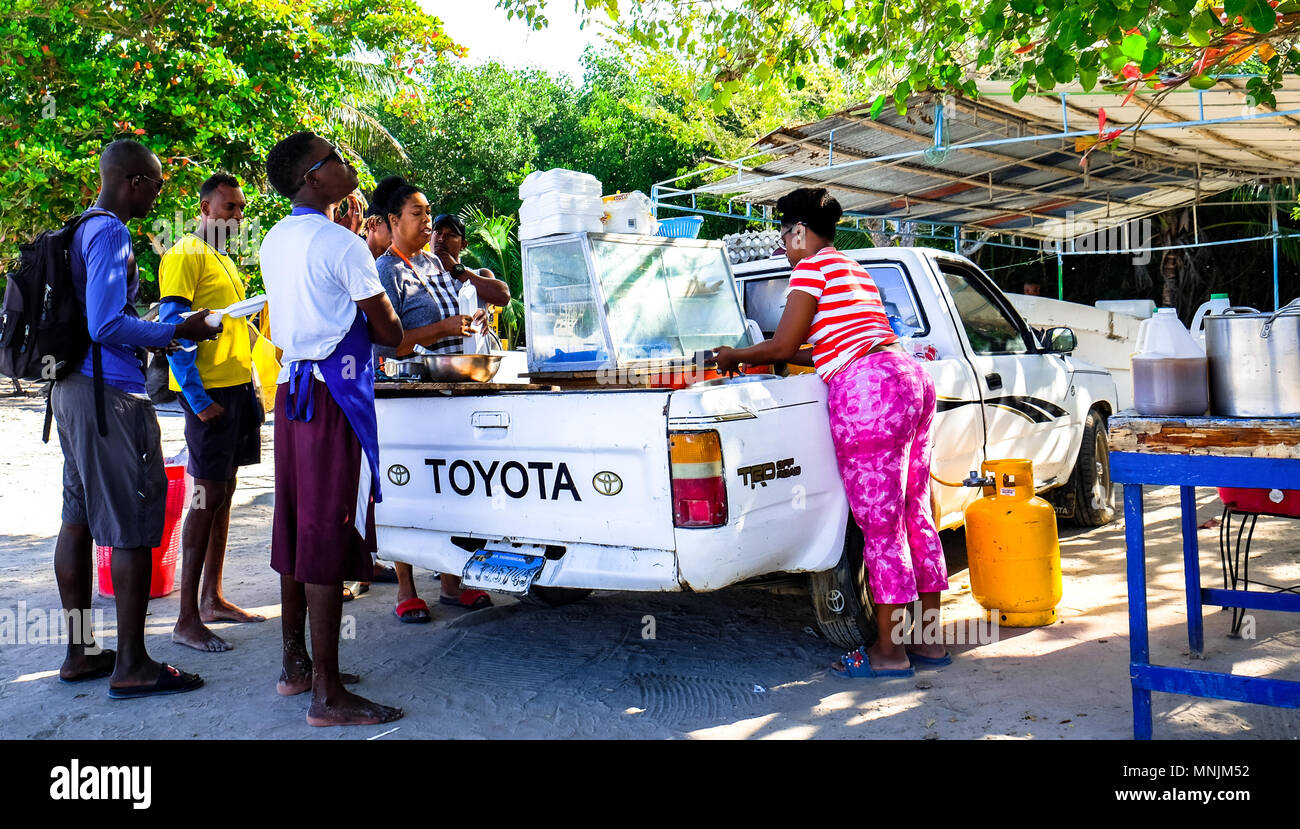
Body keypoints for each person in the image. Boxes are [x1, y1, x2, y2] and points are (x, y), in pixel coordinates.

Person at [712, 187, 949, 678]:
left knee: (880, 526)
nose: (782, 243)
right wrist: (770, 353)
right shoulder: (852, 268)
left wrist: (736, 356)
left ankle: (889, 653)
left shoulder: (810, 268)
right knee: (914, 513)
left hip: (869, 395)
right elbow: (814, 350)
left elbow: (783, 343)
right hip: (908, 379)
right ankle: (927, 642)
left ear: (799, 231)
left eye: (784, 233)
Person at [53, 139, 218, 697]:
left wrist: (145, 324)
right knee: (129, 527)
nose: (160, 192)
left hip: (74, 390)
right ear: (132, 182)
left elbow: (101, 318)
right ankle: (132, 664)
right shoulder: (112, 232)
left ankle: (80, 653)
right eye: (155, 183)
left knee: (76, 521)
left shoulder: (80, 227)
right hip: (110, 397)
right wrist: (178, 331)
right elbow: (104, 325)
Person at [260, 131, 405, 726]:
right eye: (335, 159)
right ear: (312, 179)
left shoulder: (275, 239)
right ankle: (327, 693)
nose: (347, 165)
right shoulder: (344, 245)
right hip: (331, 398)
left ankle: (295, 665)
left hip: (292, 392)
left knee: (297, 526)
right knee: (325, 530)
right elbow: (389, 331)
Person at [370, 177, 508, 618]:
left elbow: (464, 313)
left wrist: (475, 321)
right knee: (407, 488)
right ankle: (406, 587)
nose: (428, 220)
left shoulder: (437, 264)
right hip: (408, 397)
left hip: (456, 387)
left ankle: (452, 582)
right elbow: (385, 347)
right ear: (393, 221)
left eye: (429, 212)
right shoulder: (385, 273)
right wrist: (441, 330)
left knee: (453, 489)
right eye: (417, 213)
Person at [159, 173, 267, 652]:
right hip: (211, 397)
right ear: (203, 209)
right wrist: (199, 400)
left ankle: (212, 599)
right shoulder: (184, 252)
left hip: (239, 390)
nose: (237, 216)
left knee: (224, 490)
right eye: (228, 208)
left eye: (240, 208)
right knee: (204, 497)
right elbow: (173, 329)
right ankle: (186, 618)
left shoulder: (222, 258)